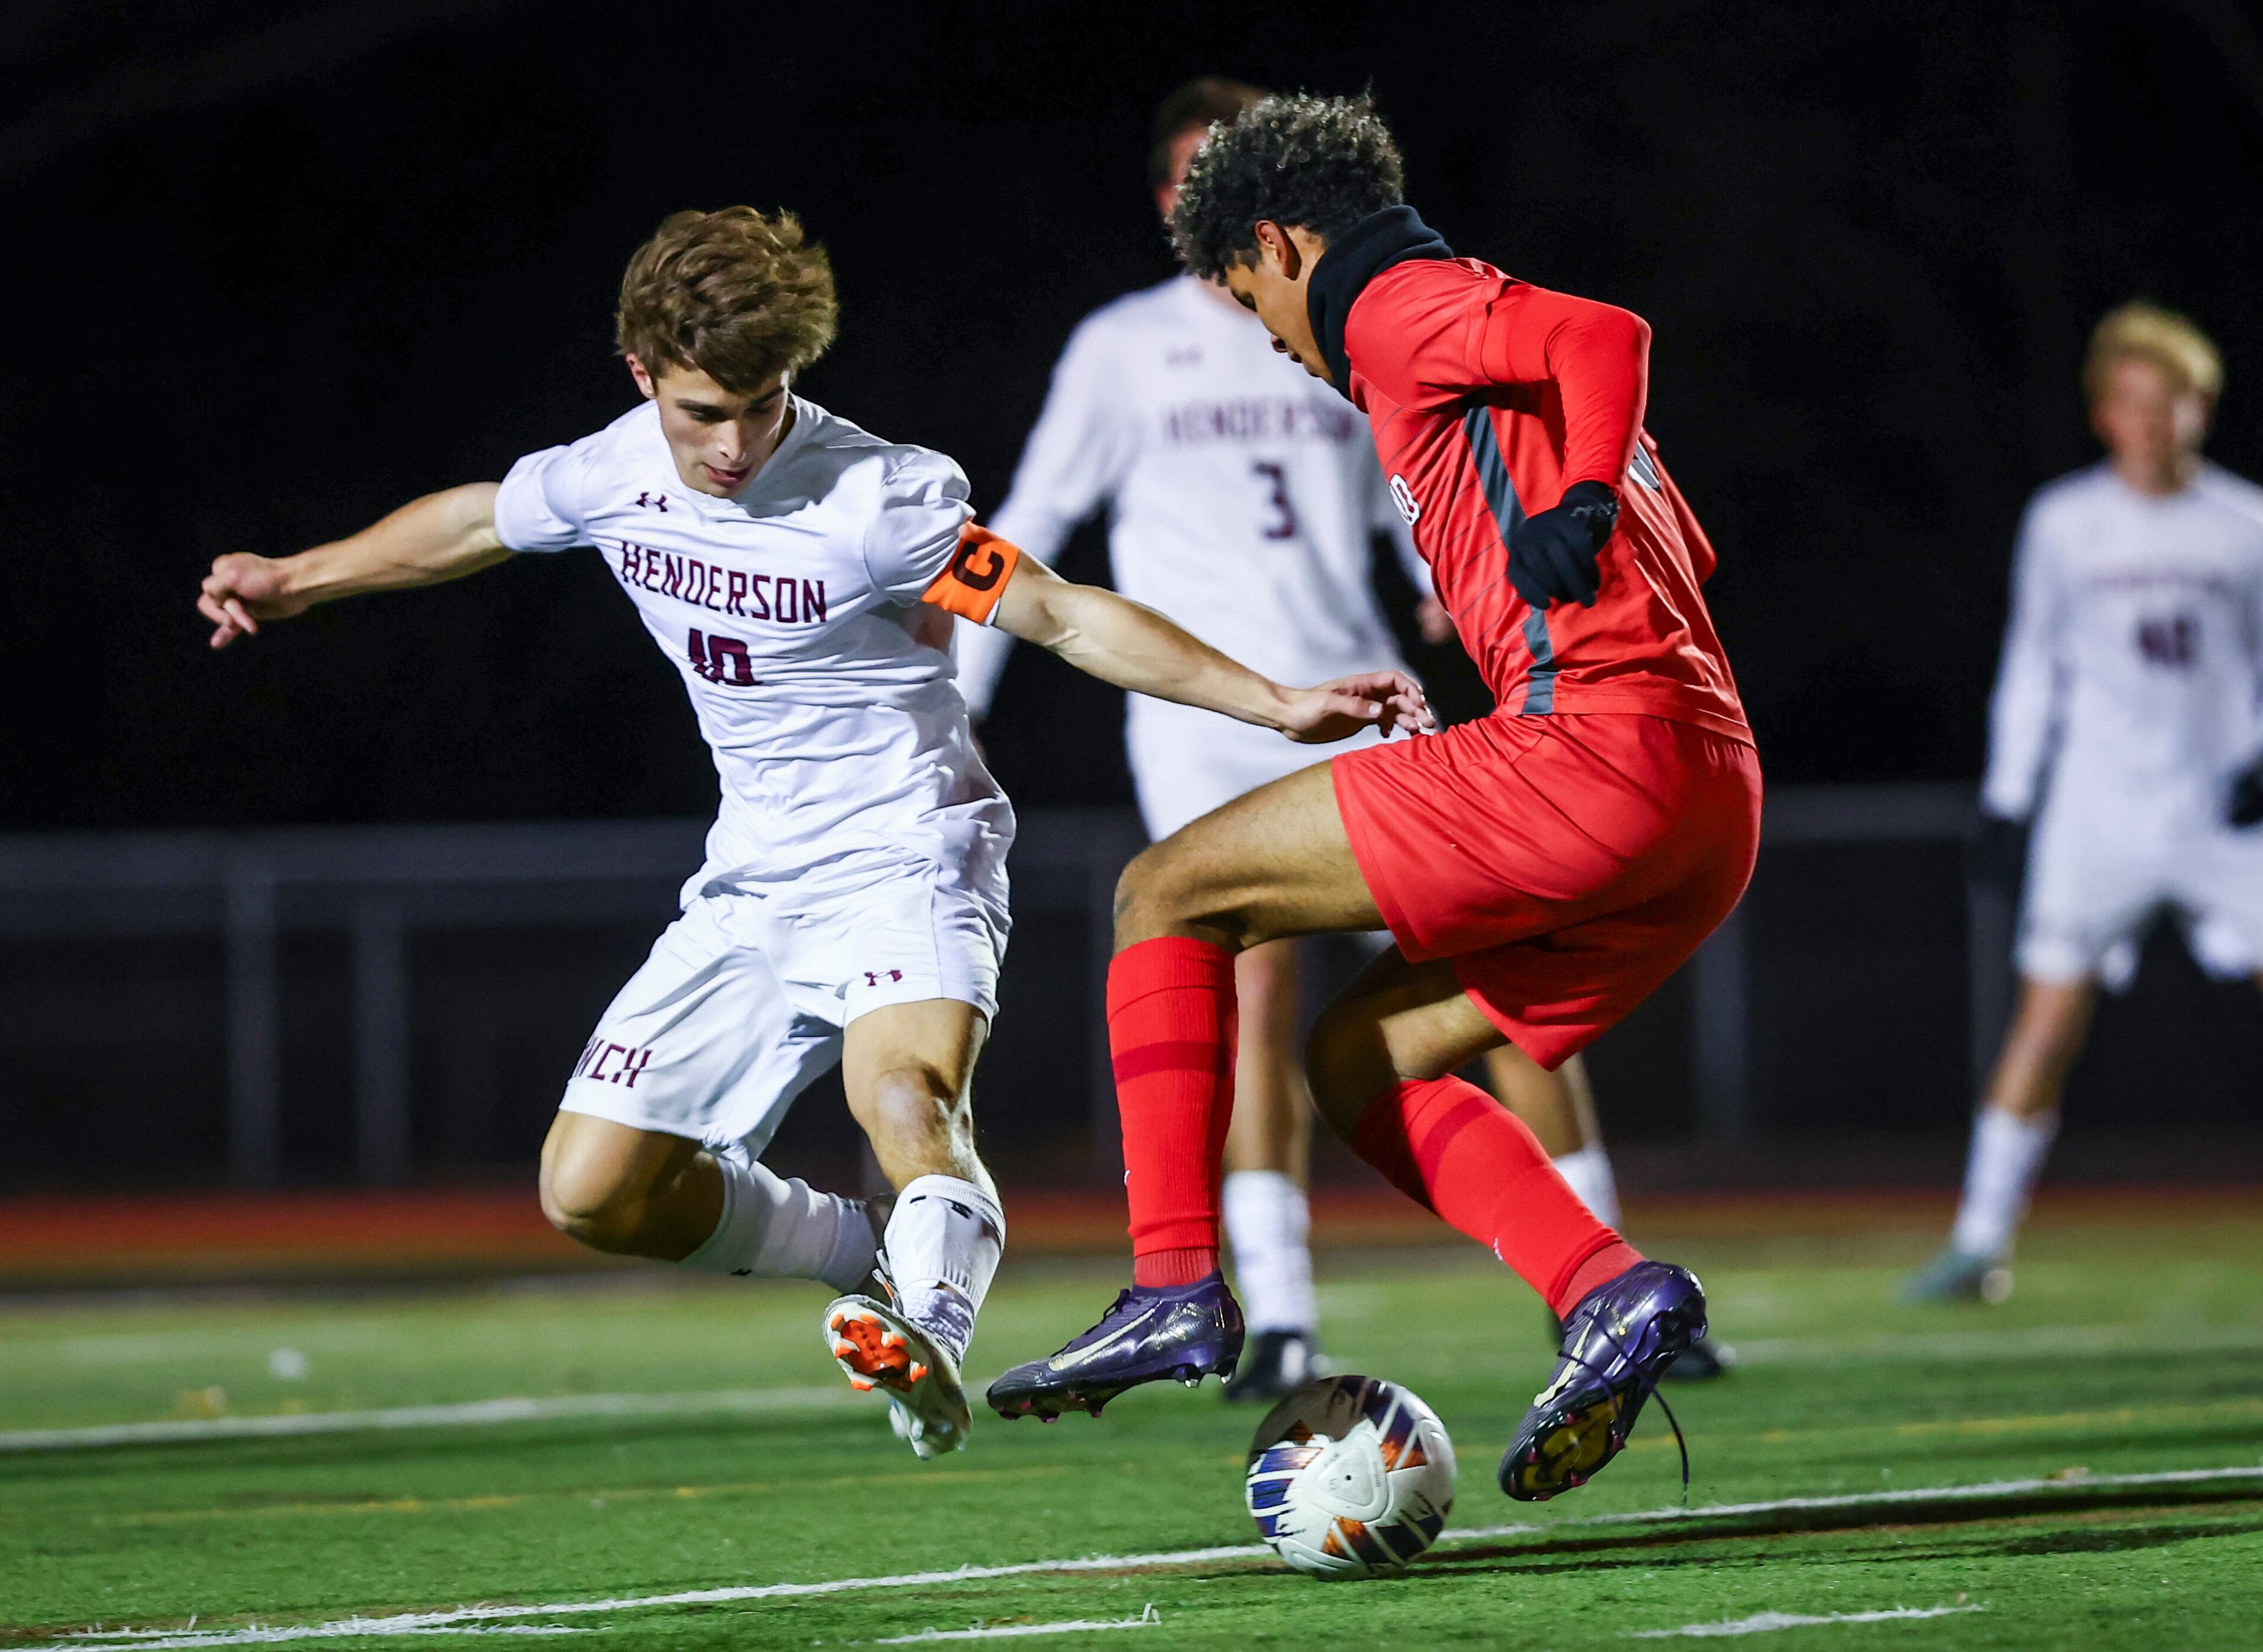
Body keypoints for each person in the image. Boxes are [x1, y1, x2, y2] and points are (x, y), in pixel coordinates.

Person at [194, 206, 1429, 1460]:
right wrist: (297, 578)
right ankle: (862, 1248)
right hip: (749, 878)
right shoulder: (612, 469)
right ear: (639, 374)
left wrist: (1271, 698)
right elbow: (470, 523)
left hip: (907, 848)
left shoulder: (877, 501)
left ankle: (930, 1329)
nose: (731, 445)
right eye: (700, 413)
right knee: (592, 1191)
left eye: (760, 405)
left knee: (901, 1092)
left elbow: (1060, 615)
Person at [985, 95, 1758, 1504]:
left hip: (1592, 755)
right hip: (1708, 794)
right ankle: (1605, 1287)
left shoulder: (1394, 303)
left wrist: (1569, 512)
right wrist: (1551, 538)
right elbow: (1683, 546)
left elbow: (1609, 334)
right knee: (1354, 1060)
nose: (1265, 338)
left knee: (1163, 893)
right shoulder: (1454, 317)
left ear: (1279, 244)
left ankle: (1173, 1283)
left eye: (1246, 297)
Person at [1906, 303, 2263, 1303]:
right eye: (2133, 403)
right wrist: (2007, 798)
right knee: (2045, 1024)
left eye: (2172, 402)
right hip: (2096, 816)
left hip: (2228, 816)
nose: (2153, 422)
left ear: (2201, 408)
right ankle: (1980, 1243)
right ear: (2105, 413)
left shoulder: (2251, 524)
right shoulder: (2063, 523)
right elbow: (2033, 663)